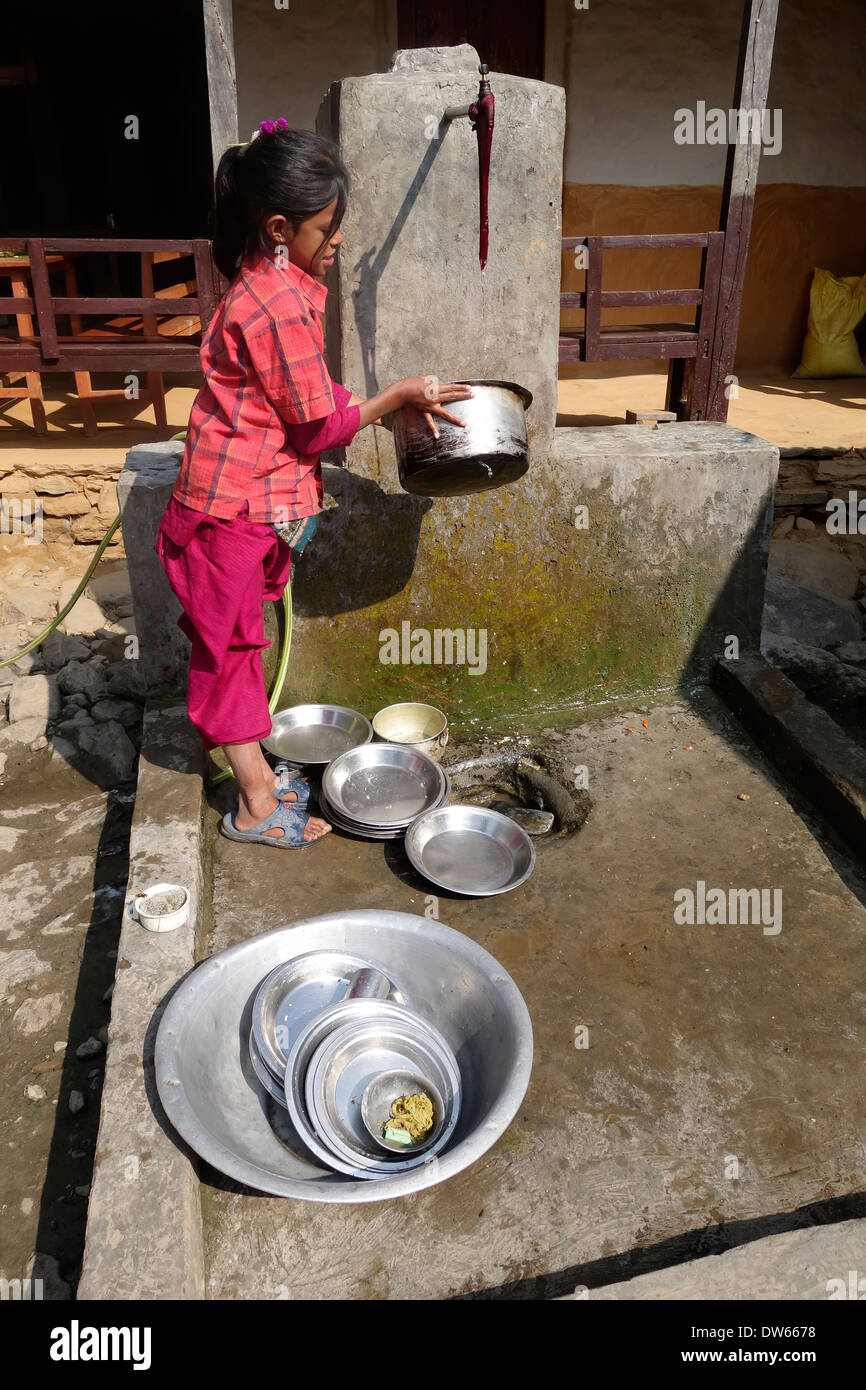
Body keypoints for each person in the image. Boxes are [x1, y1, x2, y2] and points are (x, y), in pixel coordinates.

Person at [155, 120, 474, 848]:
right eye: (328, 229)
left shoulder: (280, 285)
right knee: (229, 656)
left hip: (244, 508)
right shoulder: (269, 305)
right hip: (227, 515)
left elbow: (305, 398)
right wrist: (394, 397)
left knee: (237, 645)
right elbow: (316, 428)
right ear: (278, 228)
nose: (337, 242)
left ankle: (255, 774)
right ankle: (256, 806)